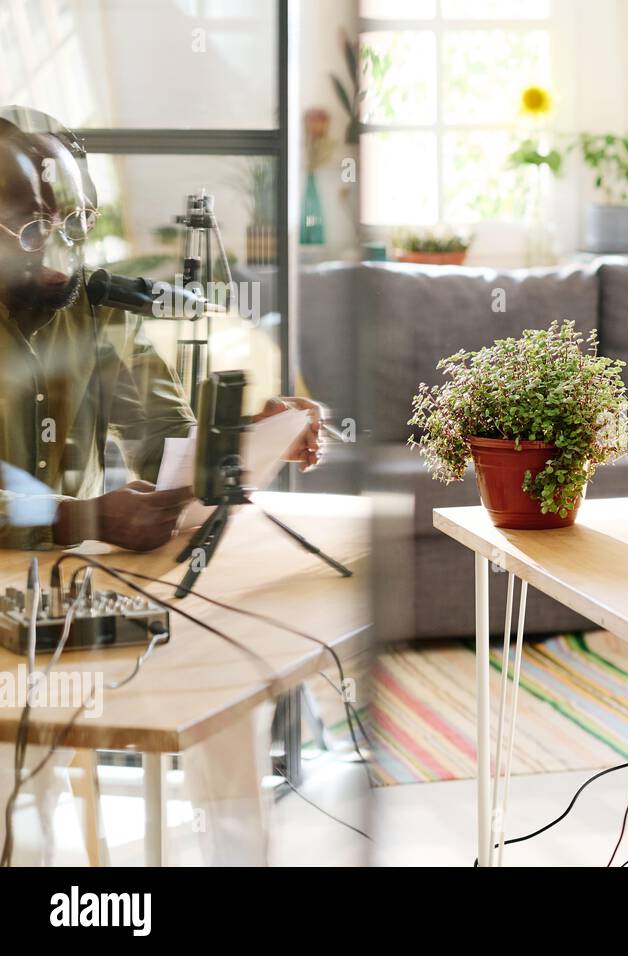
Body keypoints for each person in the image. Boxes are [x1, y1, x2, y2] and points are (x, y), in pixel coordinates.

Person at [0, 107, 324, 863]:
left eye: (72, 219)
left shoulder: (86, 304)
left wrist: (243, 434)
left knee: (226, 676)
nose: (59, 245)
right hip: (28, 600)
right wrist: (79, 513)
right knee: (24, 784)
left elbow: (161, 436)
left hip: (65, 589)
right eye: (27, 226)